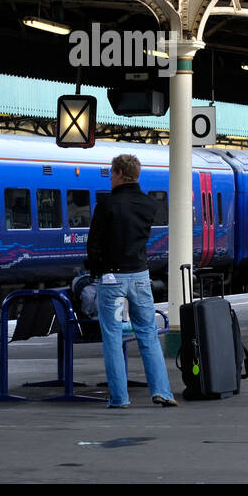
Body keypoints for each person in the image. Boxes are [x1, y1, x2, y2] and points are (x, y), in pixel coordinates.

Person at [86, 154, 177, 409]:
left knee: (113, 337)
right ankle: (162, 392)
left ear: (120, 174)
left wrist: (95, 271)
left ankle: (119, 397)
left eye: (112, 173)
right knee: (148, 334)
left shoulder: (106, 204)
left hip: (112, 279)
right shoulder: (148, 205)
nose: (110, 178)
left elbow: (93, 244)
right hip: (140, 276)